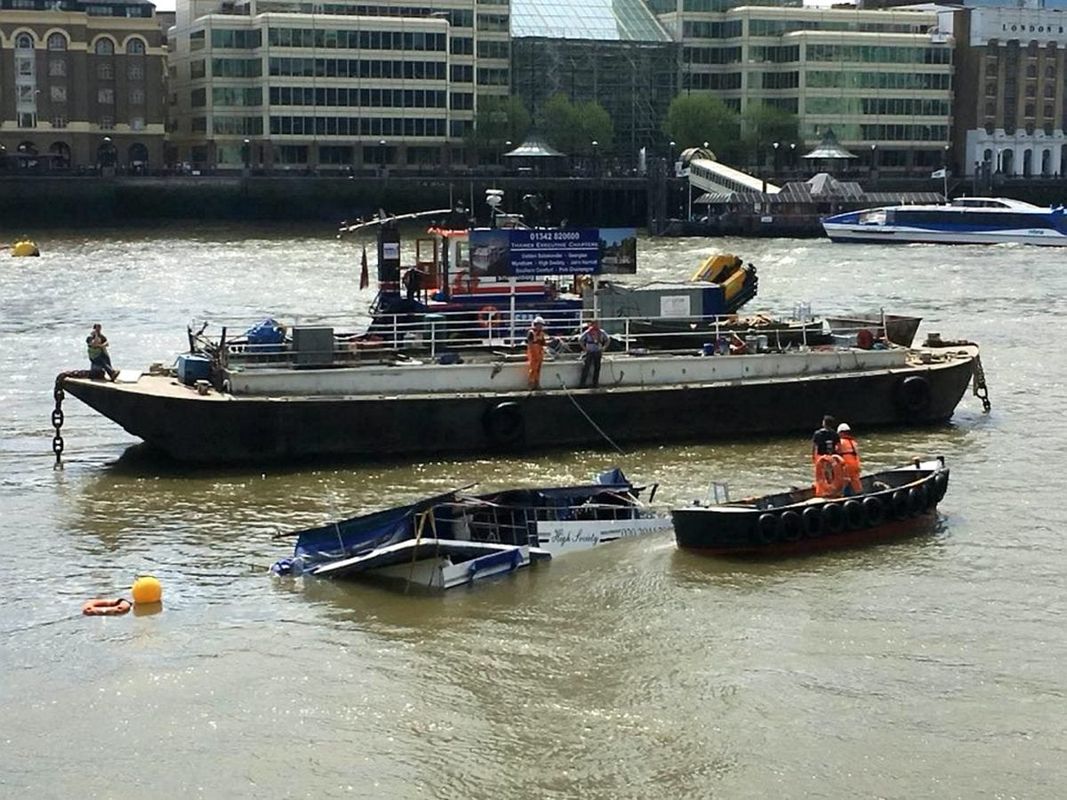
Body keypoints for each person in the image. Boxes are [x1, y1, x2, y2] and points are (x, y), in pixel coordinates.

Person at [578, 319, 610, 388]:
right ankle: (582, 384)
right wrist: (584, 348)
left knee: (597, 368)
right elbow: (580, 339)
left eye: (597, 324)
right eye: (595, 324)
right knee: (586, 368)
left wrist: (604, 348)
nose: (597, 325)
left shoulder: (601, 332)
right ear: (592, 324)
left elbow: (608, 339)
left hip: (598, 351)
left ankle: (595, 383)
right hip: (589, 351)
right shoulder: (588, 332)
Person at [836, 423, 863, 496]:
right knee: (856, 481)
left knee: (845, 481)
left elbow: (836, 453)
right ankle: (859, 495)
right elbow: (857, 454)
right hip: (855, 464)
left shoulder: (840, 442)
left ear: (840, 433)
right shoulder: (853, 442)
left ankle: (845, 496)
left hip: (845, 465)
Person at [526, 316, 548, 390]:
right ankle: (531, 384)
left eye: (542, 325)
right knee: (533, 368)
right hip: (533, 352)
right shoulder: (531, 332)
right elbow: (530, 343)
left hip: (539, 352)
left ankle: (537, 383)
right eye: (540, 325)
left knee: (538, 368)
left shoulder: (541, 333)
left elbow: (543, 343)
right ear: (536, 324)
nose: (541, 327)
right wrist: (533, 353)